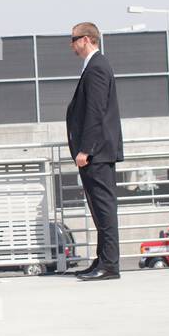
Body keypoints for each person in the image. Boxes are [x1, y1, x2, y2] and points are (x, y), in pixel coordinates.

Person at [66, 23, 124, 280]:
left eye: (74, 39)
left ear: (86, 39)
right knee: (98, 208)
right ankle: (102, 260)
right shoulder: (93, 65)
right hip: (96, 153)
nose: (71, 44)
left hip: (97, 152)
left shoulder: (97, 67)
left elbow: (96, 111)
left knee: (104, 208)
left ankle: (109, 265)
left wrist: (86, 149)